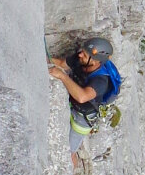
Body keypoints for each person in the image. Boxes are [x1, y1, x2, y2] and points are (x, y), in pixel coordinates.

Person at [48, 37, 119, 167]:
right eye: (82, 51)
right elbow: (63, 63)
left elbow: (82, 97)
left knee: (69, 151)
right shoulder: (82, 60)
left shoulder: (101, 81)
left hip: (82, 119)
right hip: (71, 103)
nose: (80, 54)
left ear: (96, 61)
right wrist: (45, 58)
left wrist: (62, 76)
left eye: (85, 54)